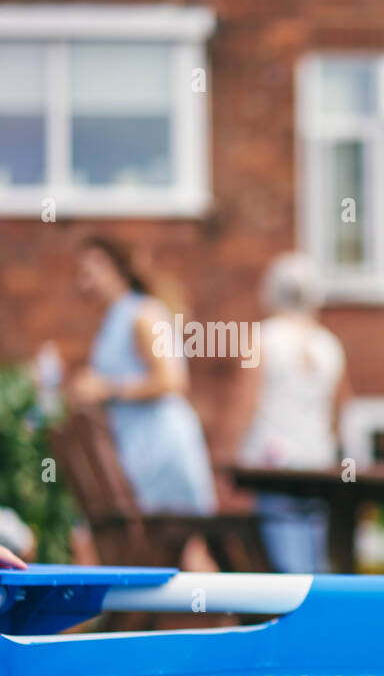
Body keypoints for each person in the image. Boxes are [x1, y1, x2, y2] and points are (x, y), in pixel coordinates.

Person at [65, 237, 219, 575]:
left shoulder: (143, 313)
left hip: (163, 449)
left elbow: (173, 380)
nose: (83, 281)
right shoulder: (115, 319)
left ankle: (223, 619)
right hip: (138, 449)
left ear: (116, 269)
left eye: (91, 270)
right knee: (167, 549)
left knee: (186, 546)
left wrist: (106, 388)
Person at [232, 253, 348, 573]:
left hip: (272, 464)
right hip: (317, 462)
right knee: (314, 552)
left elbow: (246, 404)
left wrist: (231, 460)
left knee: (283, 558)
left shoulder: (262, 338)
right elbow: (340, 409)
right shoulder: (329, 344)